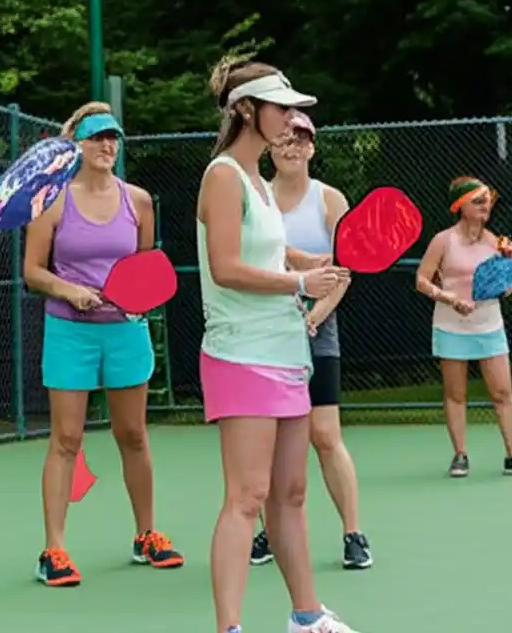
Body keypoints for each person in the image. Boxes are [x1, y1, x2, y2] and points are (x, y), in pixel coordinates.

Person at [196, 56, 360, 633]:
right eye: (282, 109)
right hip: (241, 353)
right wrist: (300, 282)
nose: (292, 120)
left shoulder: (260, 187)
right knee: (246, 496)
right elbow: (223, 266)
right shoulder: (222, 175)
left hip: (287, 352)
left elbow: (262, 250)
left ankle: (307, 618)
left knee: (289, 493)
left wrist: (304, 259)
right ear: (247, 110)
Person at [22, 102, 183, 586]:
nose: (107, 145)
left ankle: (147, 535)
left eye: (113, 137)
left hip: (125, 331)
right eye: (97, 137)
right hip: (69, 331)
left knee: (133, 435)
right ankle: (53, 550)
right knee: (66, 440)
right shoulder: (51, 201)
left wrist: (136, 304)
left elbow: (145, 266)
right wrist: (70, 290)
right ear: (78, 144)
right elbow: (32, 272)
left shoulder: (139, 201)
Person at [249, 110, 372, 571]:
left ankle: (353, 533)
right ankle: (269, 531)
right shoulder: (255, 197)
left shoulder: (330, 200)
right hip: (263, 330)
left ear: (312, 148)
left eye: (301, 139)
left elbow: (344, 270)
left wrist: (314, 318)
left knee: (324, 435)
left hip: (319, 329)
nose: (292, 146)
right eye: (284, 138)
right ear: (270, 146)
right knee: (269, 439)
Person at [414, 177, 512, 478]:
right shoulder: (443, 240)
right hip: (451, 325)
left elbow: (506, 287)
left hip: (489, 324)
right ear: (461, 206)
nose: (485, 206)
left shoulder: (495, 242)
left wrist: (510, 265)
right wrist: (449, 298)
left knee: (502, 392)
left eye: (487, 201)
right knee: (456, 393)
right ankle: (460, 455)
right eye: (478, 201)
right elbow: (421, 280)